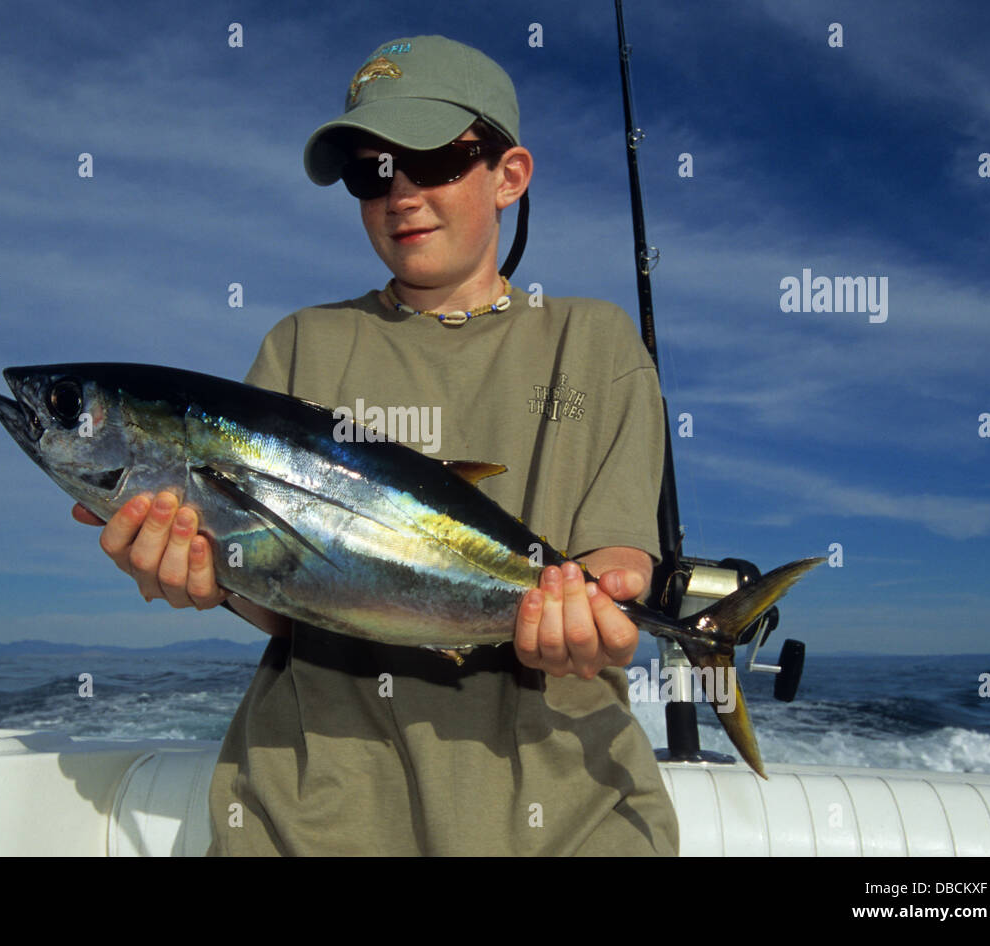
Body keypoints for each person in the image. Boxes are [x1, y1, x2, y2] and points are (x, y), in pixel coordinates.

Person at [74, 34, 679, 855]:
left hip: (562, 820)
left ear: (510, 176)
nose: (401, 195)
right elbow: (289, 603)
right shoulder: (303, 345)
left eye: (433, 162)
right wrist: (204, 579)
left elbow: (619, 562)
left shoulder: (594, 345)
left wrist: (600, 605)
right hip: (311, 817)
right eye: (372, 172)